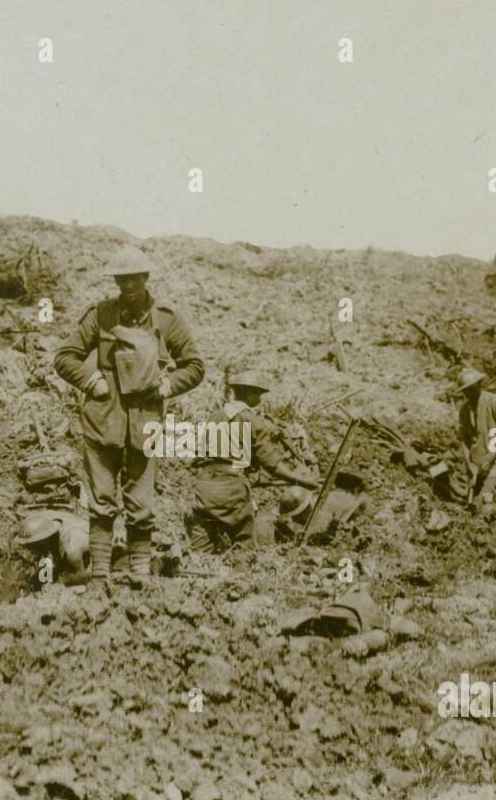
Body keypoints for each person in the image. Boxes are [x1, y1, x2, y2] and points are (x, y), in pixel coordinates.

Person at [53, 245, 204, 589]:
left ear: (146, 277)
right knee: (101, 501)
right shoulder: (100, 315)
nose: (128, 285)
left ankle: (139, 573)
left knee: (142, 504)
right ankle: (101, 575)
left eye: (134, 278)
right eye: (122, 279)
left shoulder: (166, 320)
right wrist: (91, 380)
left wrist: (168, 385)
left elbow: (196, 366)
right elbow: (65, 357)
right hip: (102, 419)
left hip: (146, 421)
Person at [188, 370, 319, 553]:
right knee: (244, 541)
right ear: (249, 394)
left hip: (205, 485)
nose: (261, 398)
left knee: (201, 543)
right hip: (231, 489)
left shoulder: (215, 416)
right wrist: (304, 481)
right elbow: (272, 465)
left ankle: (193, 573)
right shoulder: (254, 421)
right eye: (259, 394)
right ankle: (242, 576)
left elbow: (200, 454)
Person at [456, 366, 496, 503]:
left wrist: (489, 460)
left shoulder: (494, 403)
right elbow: (465, 441)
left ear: (479, 385)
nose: (468, 393)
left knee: (485, 502)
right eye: (465, 390)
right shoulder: (464, 410)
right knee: (471, 503)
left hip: (495, 465)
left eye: (471, 388)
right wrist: (470, 466)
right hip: (476, 467)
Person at [14, 510, 90, 588]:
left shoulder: (72, 549)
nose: (30, 549)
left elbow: (81, 576)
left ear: (43, 541)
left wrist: (55, 584)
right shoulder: (50, 530)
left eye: (32, 545)